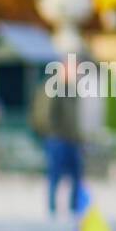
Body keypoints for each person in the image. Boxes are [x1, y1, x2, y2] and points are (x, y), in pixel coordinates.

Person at [31, 81, 84, 217]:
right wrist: (51, 133)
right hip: (58, 139)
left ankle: (74, 209)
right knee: (55, 176)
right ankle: (52, 210)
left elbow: (74, 118)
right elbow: (45, 116)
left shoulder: (72, 91)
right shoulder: (52, 89)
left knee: (76, 176)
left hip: (71, 139)